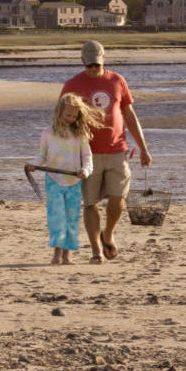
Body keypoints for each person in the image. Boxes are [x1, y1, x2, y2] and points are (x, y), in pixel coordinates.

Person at [61, 40, 152, 264]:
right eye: (90, 65)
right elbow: (62, 120)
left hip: (116, 151)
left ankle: (108, 234)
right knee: (90, 203)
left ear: (103, 61)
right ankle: (95, 251)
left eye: (97, 65)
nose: (93, 69)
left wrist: (143, 148)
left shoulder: (117, 81)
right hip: (86, 155)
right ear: (83, 62)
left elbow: (130, 116)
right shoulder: (72, 84)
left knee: (117, 198)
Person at [26, 94, 104, 265]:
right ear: (59, 112)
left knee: (70, 218)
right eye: (68, 115)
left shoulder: (80, 134)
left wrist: (85, 170)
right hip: (53, 180)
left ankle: (67, 255)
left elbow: (87, 157)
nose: (71, 119)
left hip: (74, 182)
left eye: (74, 116)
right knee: (57, 218)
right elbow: (42, 156)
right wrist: (33, 164)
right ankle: (56, 254)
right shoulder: (48, 133)